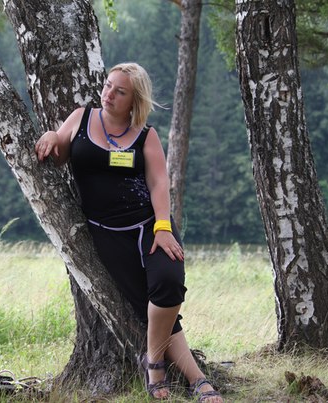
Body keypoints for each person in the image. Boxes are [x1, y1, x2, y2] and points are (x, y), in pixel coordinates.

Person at [35, 62, 222, 402]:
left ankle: (155, 364)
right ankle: (197, 380)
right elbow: (58, 152)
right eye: (108, 85)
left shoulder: (145, 135)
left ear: (135, 100)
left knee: (168, 285)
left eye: (120, 91)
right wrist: (51, 135)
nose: (109, 94)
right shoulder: (81, 118)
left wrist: (163, 227)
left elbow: (159, 182)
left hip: (151, 226)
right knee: (146, 305)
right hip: (108, 235)